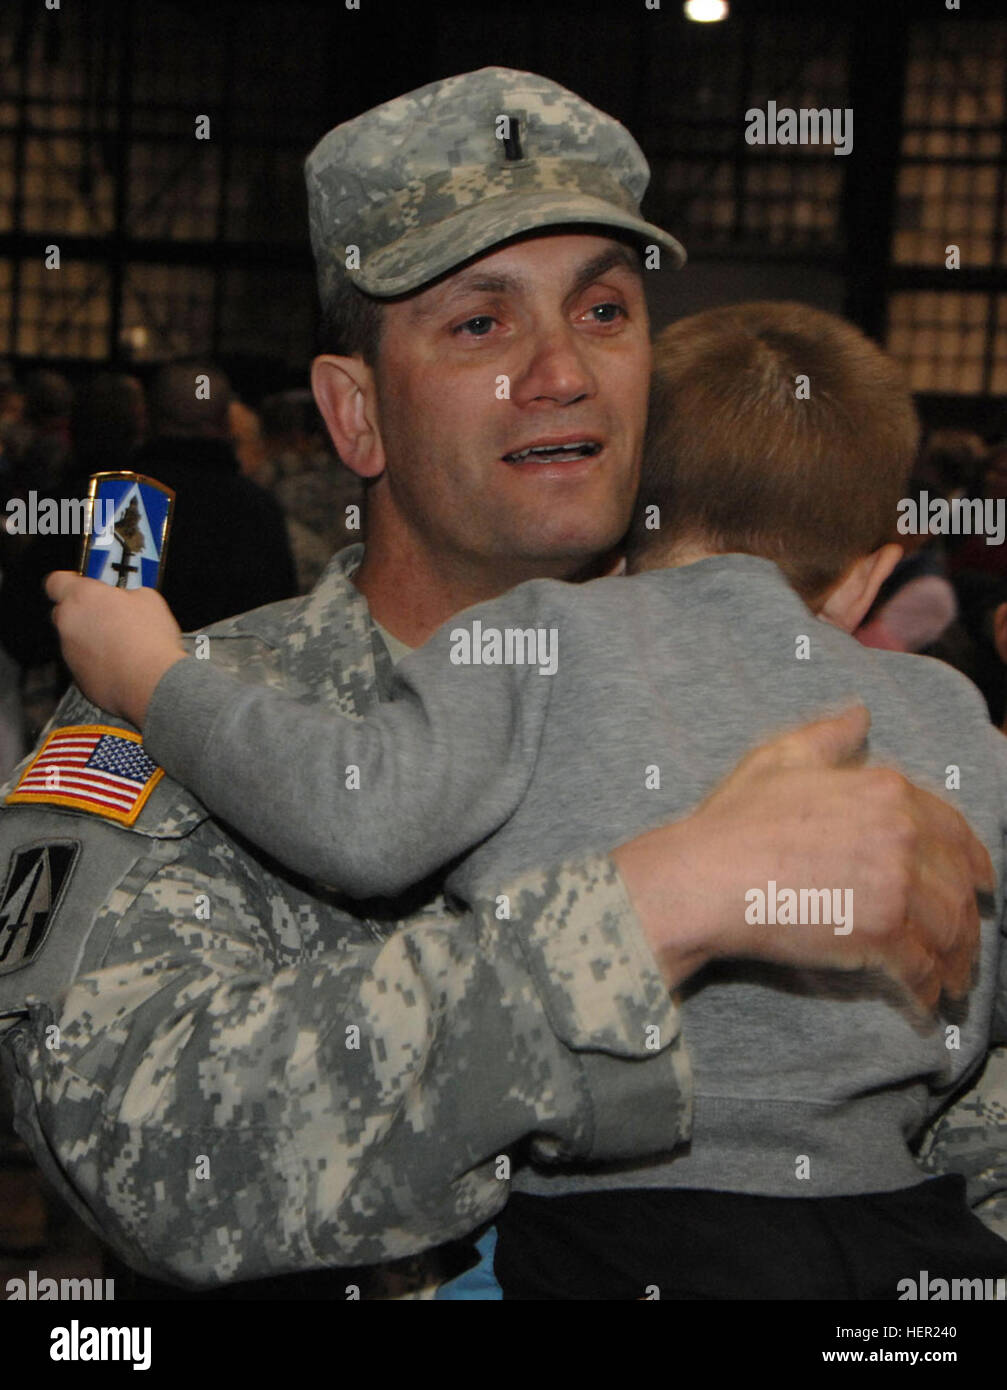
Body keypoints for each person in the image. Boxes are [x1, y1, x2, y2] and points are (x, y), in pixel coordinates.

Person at [0, 68, 998, 1293]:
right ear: (354, 416)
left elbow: (967, 1118)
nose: (561, 371)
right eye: (480, 323)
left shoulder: (788, 711)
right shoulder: (177, 718)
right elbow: (133, 1142)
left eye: (603, 313)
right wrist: (644, 910)